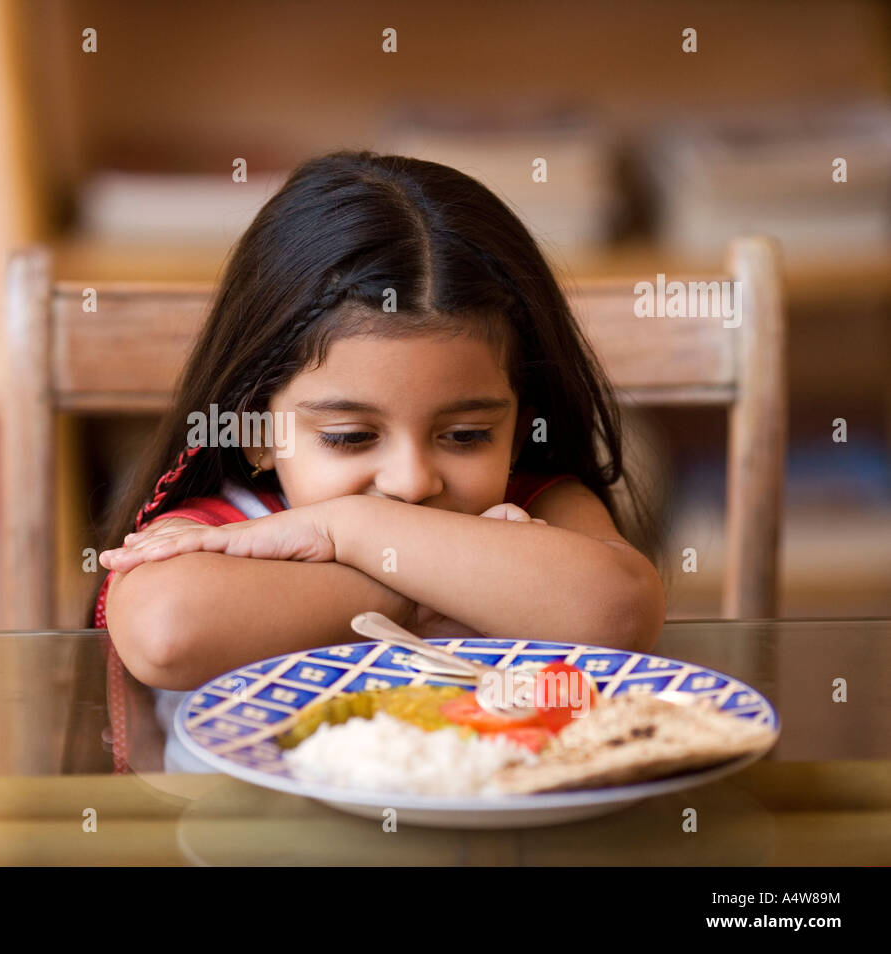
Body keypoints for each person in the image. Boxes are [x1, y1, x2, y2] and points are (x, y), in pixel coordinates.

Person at [90, 149, 667, 773]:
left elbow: (618, 611)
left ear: (521, 426)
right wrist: (448, 583)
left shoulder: (539, 503)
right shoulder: (228, 528)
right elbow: (167, 633)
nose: (412, 481)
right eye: (350, 437)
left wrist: (346, 529)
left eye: (468, 434)